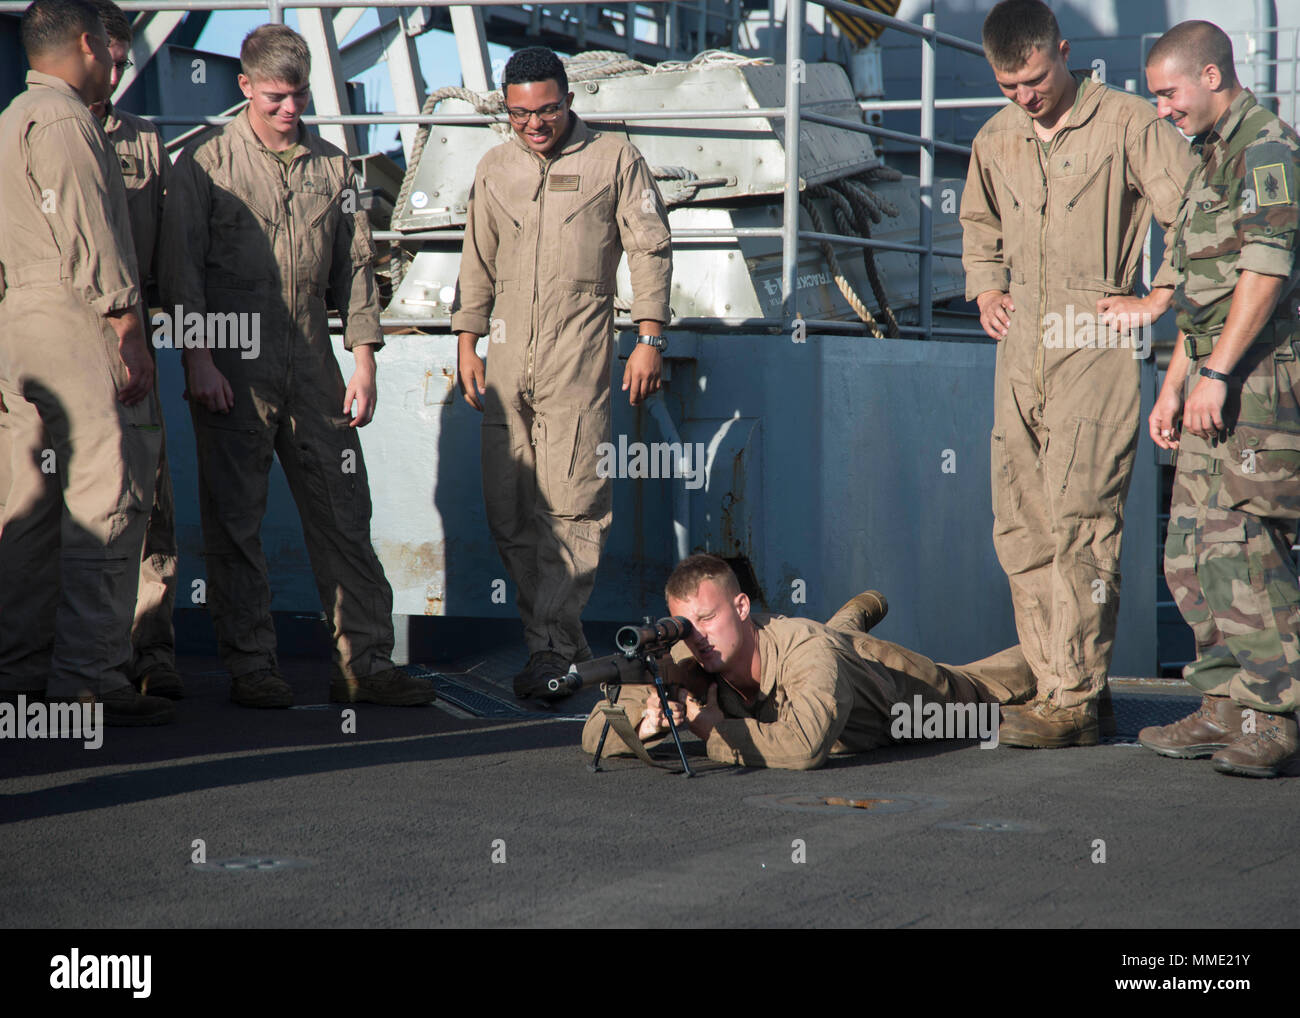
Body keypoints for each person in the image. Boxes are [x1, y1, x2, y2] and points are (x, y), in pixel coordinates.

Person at [159, 24, 435, 709]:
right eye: (276, 96)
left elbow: (357, 275)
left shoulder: (336, 167)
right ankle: (253, 665)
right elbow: (181, 275)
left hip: (315, 370)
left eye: (300, 95)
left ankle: (367, 664)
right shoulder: (204, 166)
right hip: (232, 369)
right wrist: (199, 360)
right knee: (236, 523)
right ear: (246, 86)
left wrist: (364, 363)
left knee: (345, 512)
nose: (290, 109)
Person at [960, 0, 1196, 747]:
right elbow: (978, 222)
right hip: (1018, 346)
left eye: (1033, 79)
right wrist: (986, 285)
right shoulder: (995, 136)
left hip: (1091, 338)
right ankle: (1054, 681)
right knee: (1020, 525)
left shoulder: (1130, 123)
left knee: (1082, 523)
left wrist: (1160, 295)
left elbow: (1195, 209)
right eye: (1008, 86)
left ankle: (1076, 695)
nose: (1023, 97)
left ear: (1062, 53)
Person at [452, 46, 673, 699]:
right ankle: (559, 640)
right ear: (506, 110)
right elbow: (476, 259)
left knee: (574, 504)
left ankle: (548, 646)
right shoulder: (495, 167)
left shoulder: (613, 159)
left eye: (547, 109)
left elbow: (649, 246)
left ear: (568, 101)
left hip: (576, 358)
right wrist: (466, 342)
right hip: (505, 356)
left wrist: (649, 337)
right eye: (521, 113)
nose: (535, 125)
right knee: (509, 505)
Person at [0, 0, 169, 724]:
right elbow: (92, 235)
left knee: (29, 507)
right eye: (113, 51)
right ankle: (90, 680)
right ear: (88, 43)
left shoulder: (10, 121)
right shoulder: (70, 123)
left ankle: (21, 673)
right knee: (108, 496)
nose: (116, 64)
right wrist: (128, 328)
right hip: (76, 318)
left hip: (20, 323)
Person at [1139, 21, 1300, 778]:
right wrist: (1174, 387)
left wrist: (1220, 376)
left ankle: (1277, 711)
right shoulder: (1206, 161)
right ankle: (1224, 702)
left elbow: (1264, 274)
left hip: (1259, 385)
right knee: (1189, 553)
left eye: (1169, 94)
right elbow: (1197, 298)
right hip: (1211, 381)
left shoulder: (1265, 148)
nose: (1163, 109)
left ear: (1210, 75)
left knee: (1247, 548)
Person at [580, 555, 1037, 770]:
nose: (698, 636)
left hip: (884, 689)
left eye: (707, 617)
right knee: (835, 633)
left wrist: (708, 727)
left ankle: (1054, 657)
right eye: (686, 625)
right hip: (825, 649)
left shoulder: (809, 650)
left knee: (978, 694)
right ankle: (850, 616)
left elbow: (804, 747)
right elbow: (593, 730)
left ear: (741, 607)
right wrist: (644, 725)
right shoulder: (687, 650)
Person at [88, 0, 182, 700]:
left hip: (135, 350)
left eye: (125, 64)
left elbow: (170, 258)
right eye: (109, 62)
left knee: (151, 506)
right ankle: (63, 660)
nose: (116, 76)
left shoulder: (143, 142)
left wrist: (196, 347)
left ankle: (151, 654)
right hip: (63, 349)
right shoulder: (34, 134)